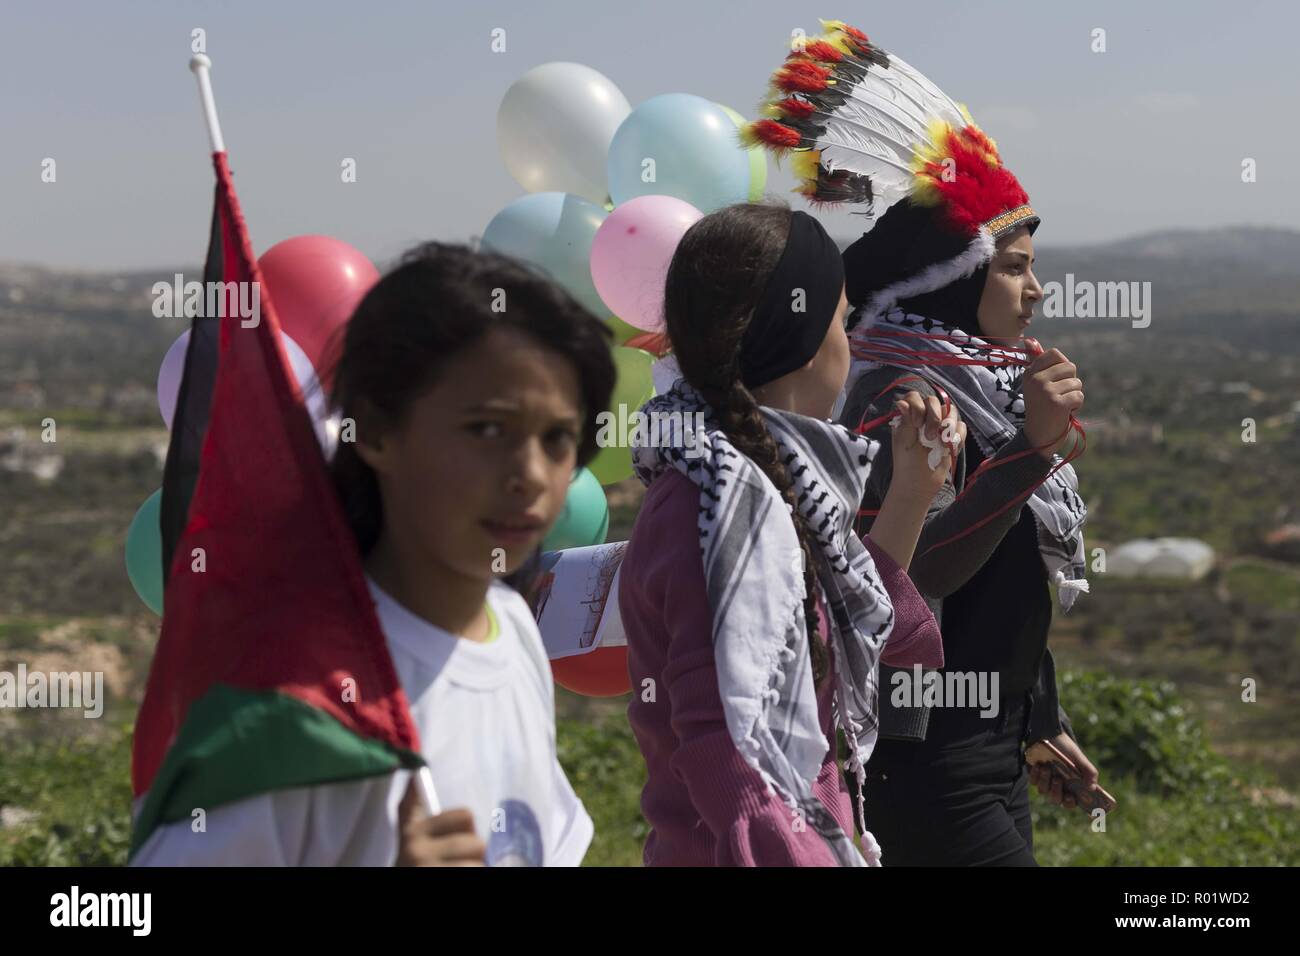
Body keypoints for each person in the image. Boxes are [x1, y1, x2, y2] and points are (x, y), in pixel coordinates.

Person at [742, 19, 1102, 864]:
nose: (1035, 290)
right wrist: (1030, 452)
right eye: (1012, 267)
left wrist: (1035, 717)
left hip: (984, 752)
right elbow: (910, 575)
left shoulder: (977, 392)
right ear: (953, 285)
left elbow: (992, 593)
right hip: (924, 764)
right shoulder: (901, 399)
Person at [133, 243, 615, 866]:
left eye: (557, 439)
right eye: (487, 430)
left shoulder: (513, 629)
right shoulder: (290, 702)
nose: (529, 474)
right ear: (377, 430)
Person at [619, 202, 957, 866]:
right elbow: (735, 760)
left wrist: (913, 493)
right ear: (802, 339)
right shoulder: (723, 506)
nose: (850, 343)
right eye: (840, 320)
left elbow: (871, 631)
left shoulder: (740, 483)